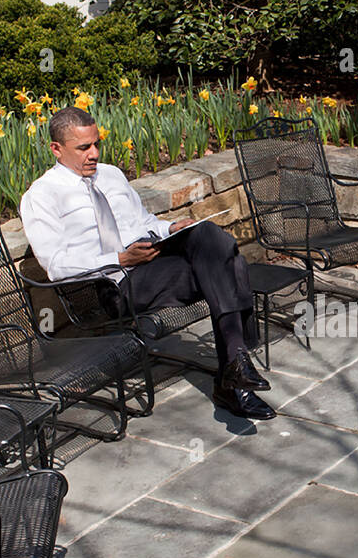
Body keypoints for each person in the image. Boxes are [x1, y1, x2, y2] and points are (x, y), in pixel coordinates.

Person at [19, 105, 276, 420]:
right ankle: (233, 376)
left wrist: (170, 228)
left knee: (209, 237)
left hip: (150, 261)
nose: (94, 153)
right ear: (56, 149)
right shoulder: (42, 196)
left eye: (97, 143)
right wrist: (120, 258)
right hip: (114, 284)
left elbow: (141, 221)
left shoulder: (111, 175)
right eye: (83, 147)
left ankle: (234, 371)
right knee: (228, 262)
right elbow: (55, 264)